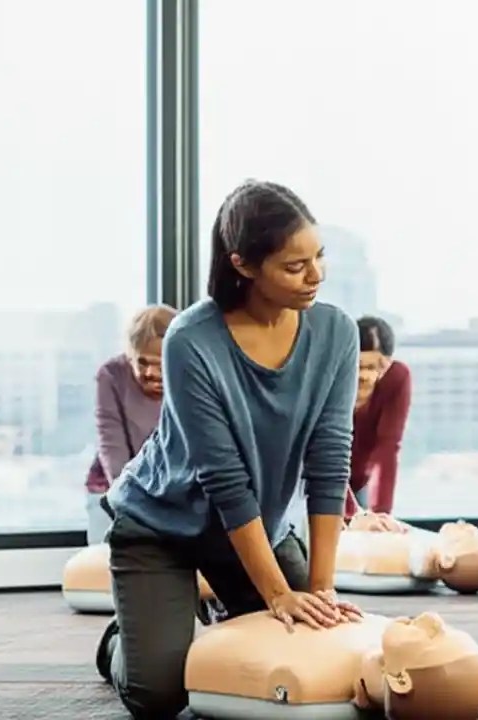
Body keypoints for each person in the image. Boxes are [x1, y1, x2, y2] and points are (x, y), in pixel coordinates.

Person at [94, 179, 364, 719]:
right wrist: (277, 594)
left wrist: (321, 587)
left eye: (319, 257)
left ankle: (199, 610)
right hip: (159, 527)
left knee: (311, 644)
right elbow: (226, 479)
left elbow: (329, 462)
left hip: (254, 529)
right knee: (160, 696)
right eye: (294, 266)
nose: (316, 277)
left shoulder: (336, 333)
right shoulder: (192, 339)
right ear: (242, 265)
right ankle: (123, 637)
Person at [86, 304, 178, 543]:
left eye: (161, 364)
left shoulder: (192, 377)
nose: (151, 373)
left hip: (172, 497)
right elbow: (111, 445)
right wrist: (131, 503)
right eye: (142, 362)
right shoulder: (111, 375)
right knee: (106, 565)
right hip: (113, 489)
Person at [343, 315, 412, 517]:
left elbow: (388, 447)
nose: (365, 376)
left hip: (359, 479)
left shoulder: (396, 378)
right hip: (321, 480)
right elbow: (322, 452)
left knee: (370, 532)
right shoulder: (332, 375)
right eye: (359, 366)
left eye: (374, 367)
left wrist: (382, 513)